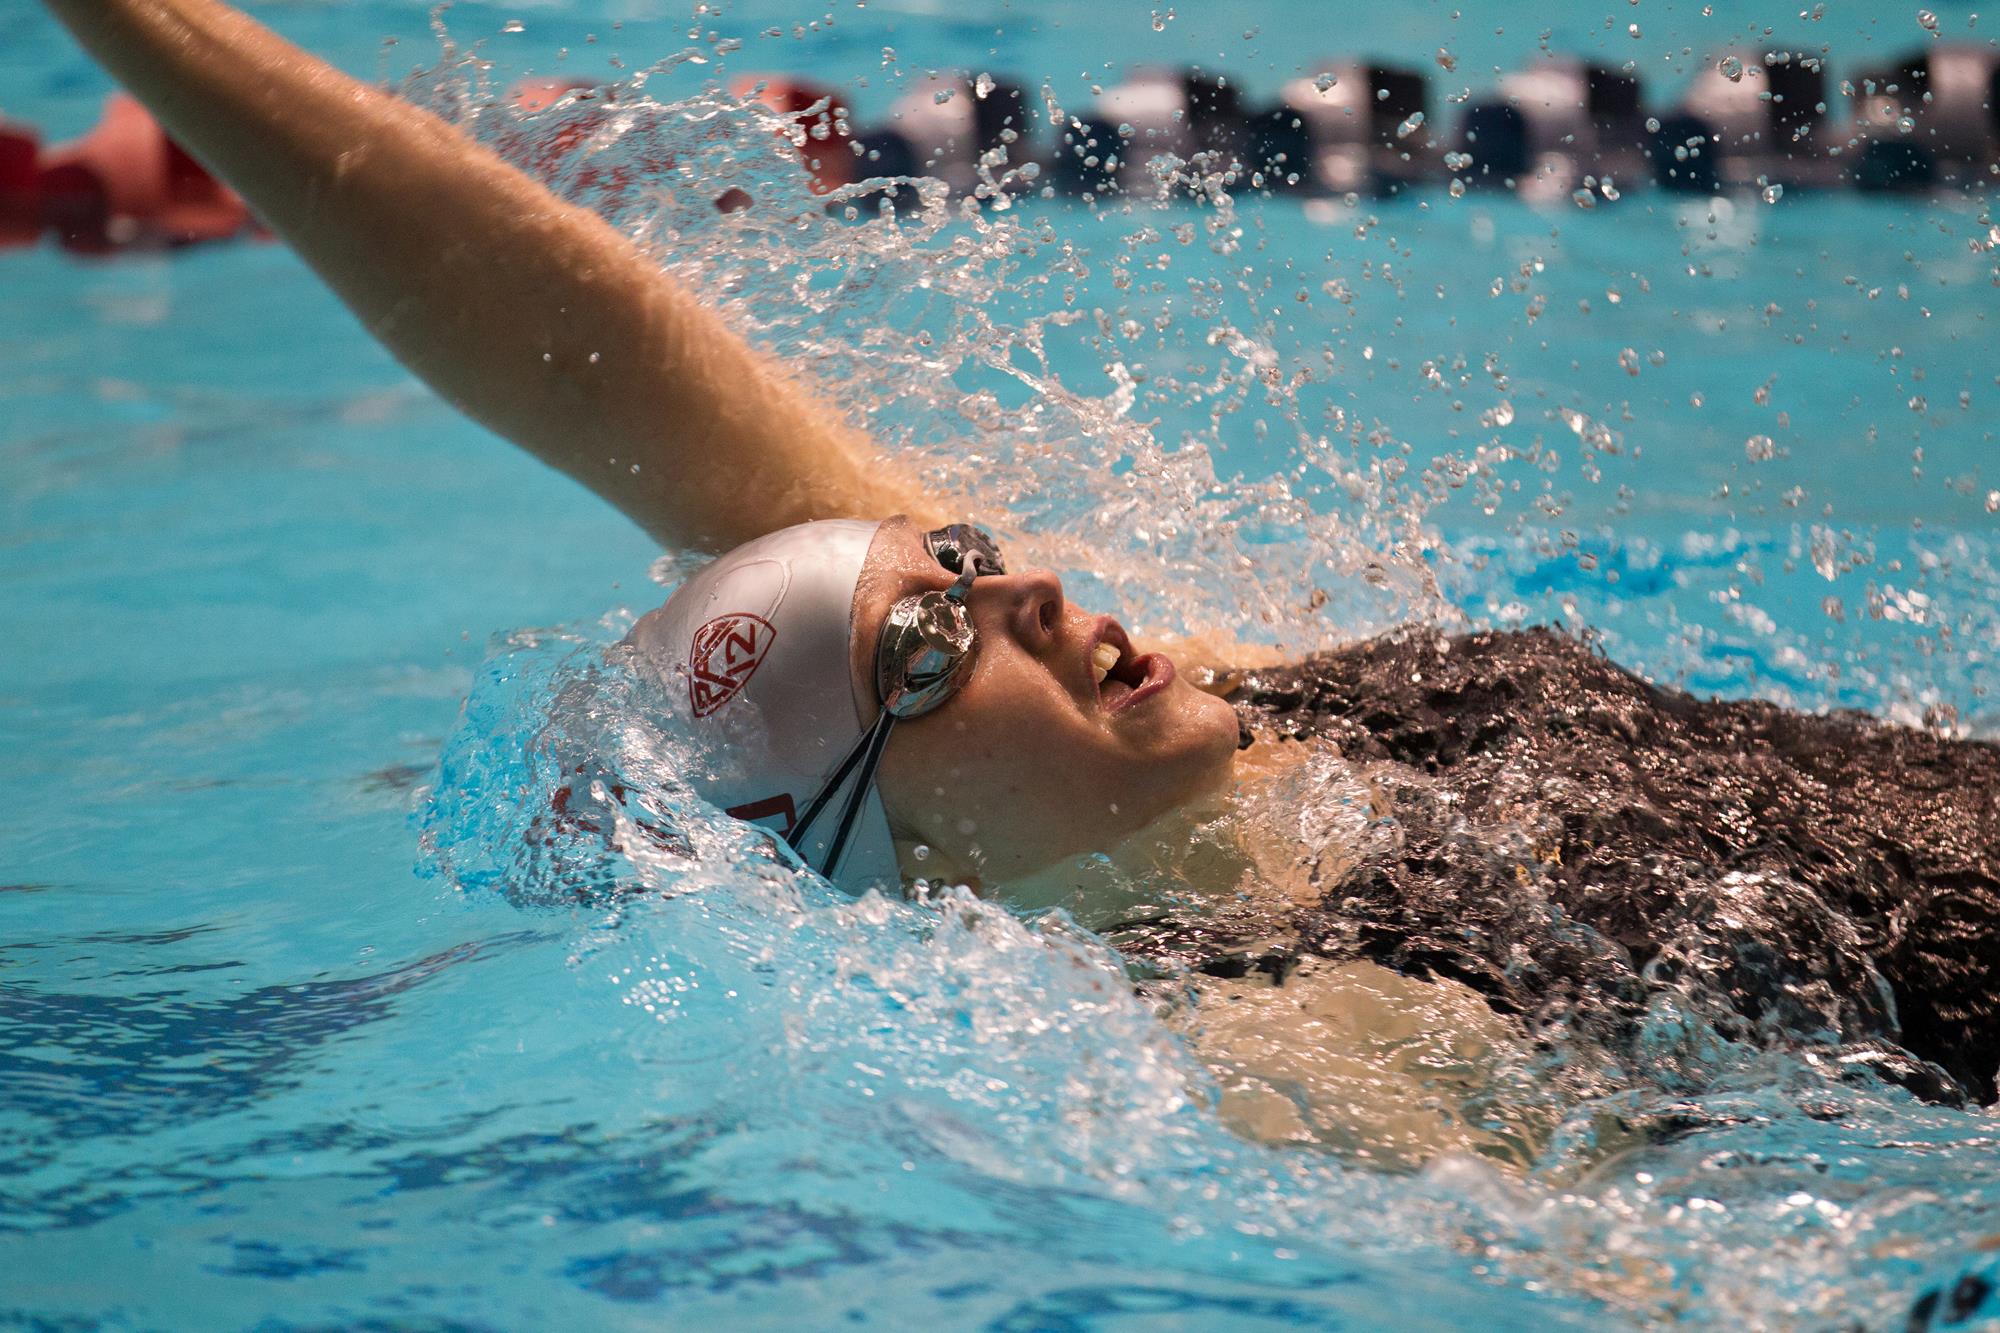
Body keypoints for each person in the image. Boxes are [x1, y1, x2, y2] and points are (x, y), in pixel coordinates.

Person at [40, 0, 2000, 1109]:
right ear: (892, 866)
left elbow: (595, 356)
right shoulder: (1307, 1040)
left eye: (962, 559)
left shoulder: (1279, 705)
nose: (1033, 595)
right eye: (929, 649)